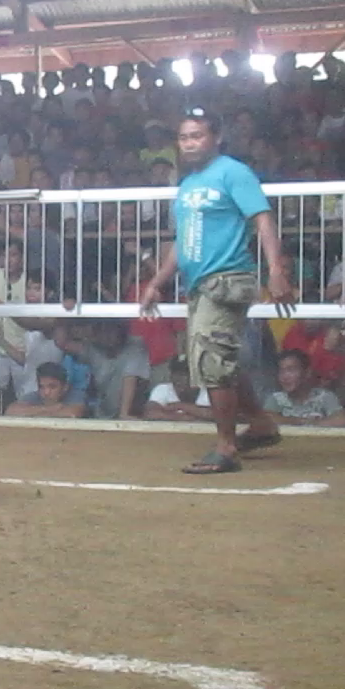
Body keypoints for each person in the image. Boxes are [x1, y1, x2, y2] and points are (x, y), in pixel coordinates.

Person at [140, 107, 295, 474]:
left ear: (216, 137)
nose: (190, 143)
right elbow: (181, 242)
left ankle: (226, 447)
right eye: (184, 137)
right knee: (221, 360)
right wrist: (156, 282)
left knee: (212, 362)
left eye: (197, 135)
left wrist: (275, 269)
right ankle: (259, 424)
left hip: (226, 278)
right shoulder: (187, 186)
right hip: (201, 283)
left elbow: (263, 218)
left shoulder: (234, 172)